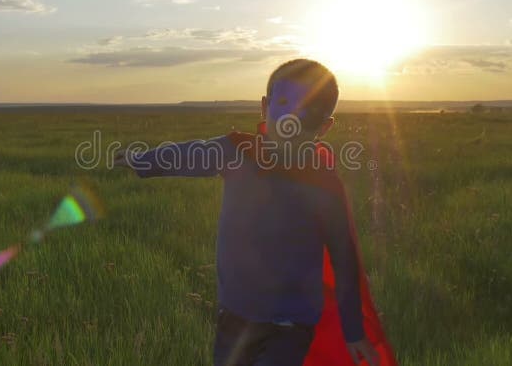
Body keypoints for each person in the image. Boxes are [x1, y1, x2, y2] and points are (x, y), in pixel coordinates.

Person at [115, 59, 394, 366]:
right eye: (284, 103)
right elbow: (185, 155)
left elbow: (344, 262)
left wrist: (353, 331)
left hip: (291, 325)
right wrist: (141, 160)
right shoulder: (236, 152)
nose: (293, 118)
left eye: (310, 110)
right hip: (234, 317)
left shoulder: (323, 187)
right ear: (264, 107)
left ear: (325, 126)